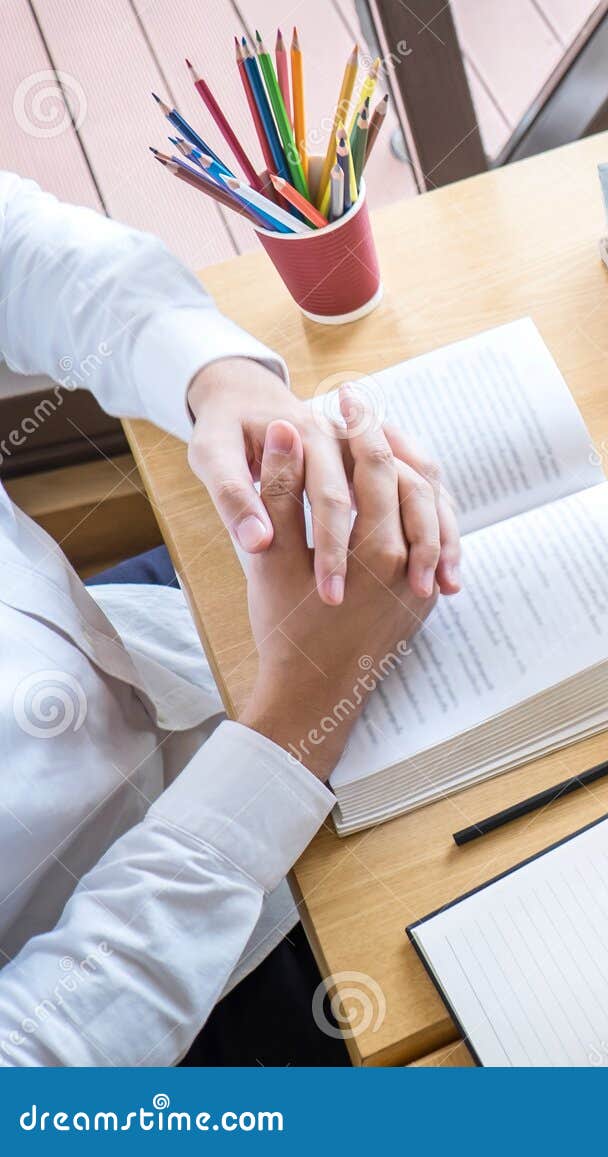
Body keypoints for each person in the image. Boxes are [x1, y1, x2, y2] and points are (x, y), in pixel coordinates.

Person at [0, 171, 455, 1065]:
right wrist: (298, 718)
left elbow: (17, 251)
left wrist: (219, 376)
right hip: (175, 975)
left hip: (130, 645)